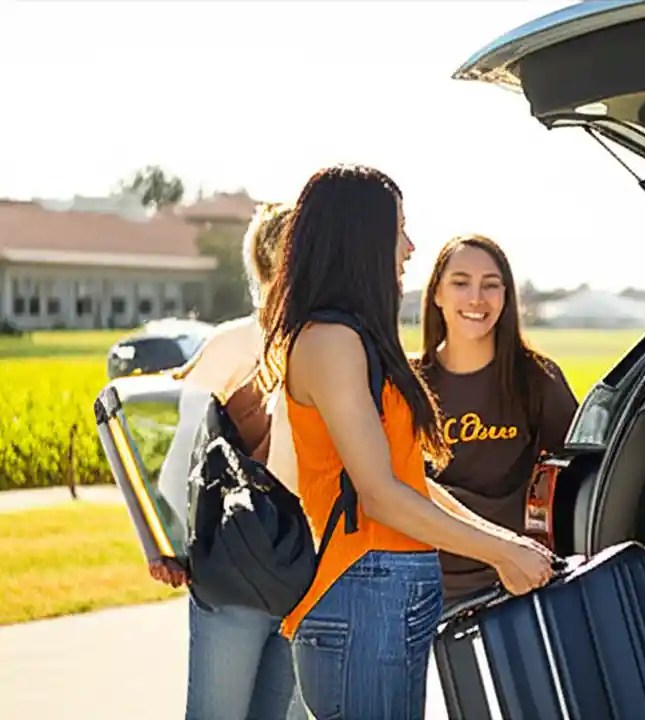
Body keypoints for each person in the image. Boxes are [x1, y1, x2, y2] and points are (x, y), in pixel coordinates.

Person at [257, 164, 556, 720]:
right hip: (359, 591)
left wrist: (506, 545)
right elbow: (381, 496)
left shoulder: (362, 338)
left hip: (391, 591)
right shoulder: (330, 342)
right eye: (400, 229)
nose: (411, 246)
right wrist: (500, 552)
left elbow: (411, 481)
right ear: (362, 237)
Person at [153, 201, 306, 720]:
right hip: (232, 569)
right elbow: (180, 459)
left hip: (308, 574)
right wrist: (165, 545)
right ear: (273, 260)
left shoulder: (333, 346)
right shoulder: (232, 344)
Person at [412, 234, 580, 603]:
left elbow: (580, 475)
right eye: (460, 283)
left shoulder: (537, 379)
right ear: (436, 294)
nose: (476, 298)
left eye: (491, 285)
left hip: (515, 583)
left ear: (506, 297)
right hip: (422, 586)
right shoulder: (406, 383)